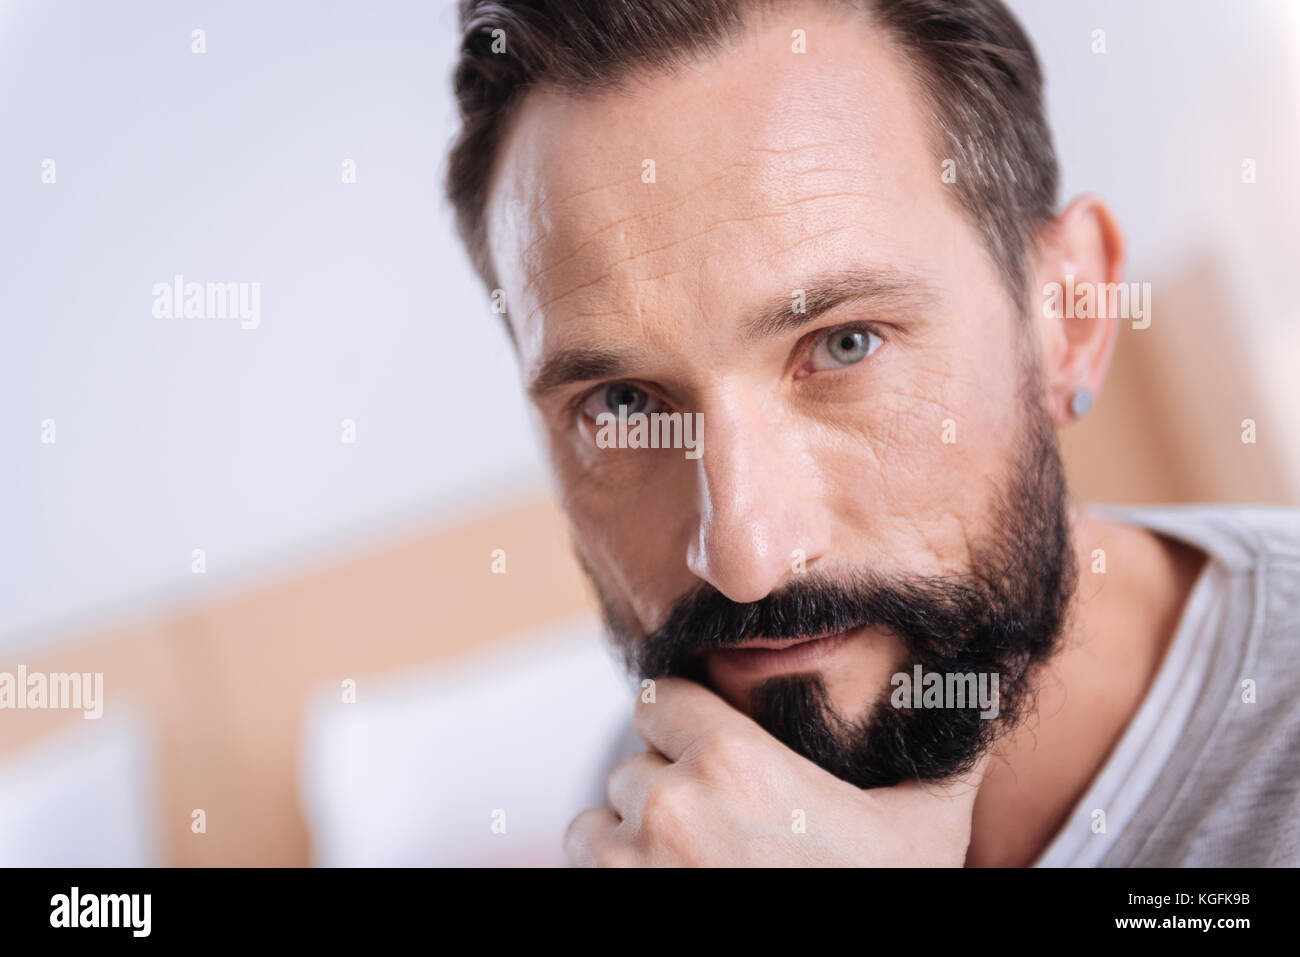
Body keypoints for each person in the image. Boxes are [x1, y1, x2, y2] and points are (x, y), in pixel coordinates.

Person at [443, 0, 1300, 866]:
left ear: (1068, 321)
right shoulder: (665, 810)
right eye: (623, 403)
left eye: (844, 344)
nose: (746, 558)